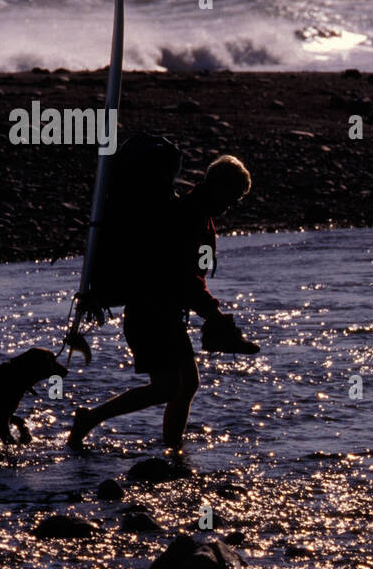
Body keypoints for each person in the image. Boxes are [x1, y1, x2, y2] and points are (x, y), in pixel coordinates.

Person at [69, 152, 255, 450]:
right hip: (150, 314)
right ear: (218, 187)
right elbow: (183, 278)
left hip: (165, 314)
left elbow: (193, 276)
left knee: (187, 384)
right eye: (231, 199)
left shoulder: (200, 215)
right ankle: (90, 418)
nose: (230, 207)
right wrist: (213, 313)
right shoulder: (189, 215)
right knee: (167, 388)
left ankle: (173, 450)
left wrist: (210, 311)